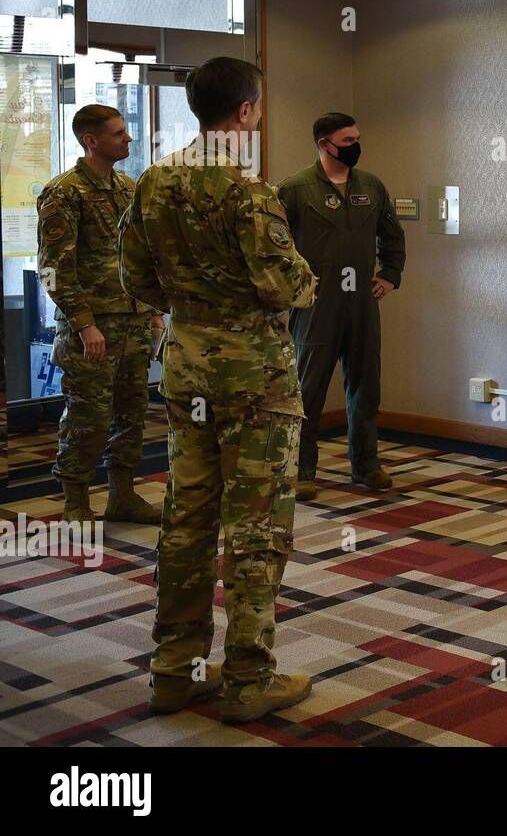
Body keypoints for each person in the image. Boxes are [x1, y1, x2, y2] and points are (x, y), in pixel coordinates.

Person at [119, 56, 319, 721]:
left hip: (186, 367)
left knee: (187, 518)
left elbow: (137, 280)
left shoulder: (152, 183)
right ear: (245, 112)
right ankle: (247, 681)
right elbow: (284, 284)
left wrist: (190, 302)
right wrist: (304, 286)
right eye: (258, 108)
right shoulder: (245, 191)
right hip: (253, 378)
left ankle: (173, 672)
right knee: (257, 527)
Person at [37, 103, 162, 524]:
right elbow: (53, 270)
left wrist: (153, 311)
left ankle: (121, 495)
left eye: (126, 131)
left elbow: (141, 256)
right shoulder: (65, 192)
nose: (128, 138)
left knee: (132, 411)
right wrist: (84, 324)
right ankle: (76, 502)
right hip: (91, 329)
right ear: (91, 140)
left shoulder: (126, 187)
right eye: (118, 132)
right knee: (87, 416)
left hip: (133, 322)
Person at [275, 113, 406, 498]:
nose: (355, 146)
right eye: (347, 140)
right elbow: (273, 245)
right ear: (324, 145)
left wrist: (390, 274)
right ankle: (301, 471)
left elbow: (392, 234)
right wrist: (288, 291)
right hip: (316, 303)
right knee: (308, 389)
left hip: (361, 302)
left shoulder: (371, 186)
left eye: (357, 138)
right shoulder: (294, 189)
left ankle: (366, 465)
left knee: (366, 386)